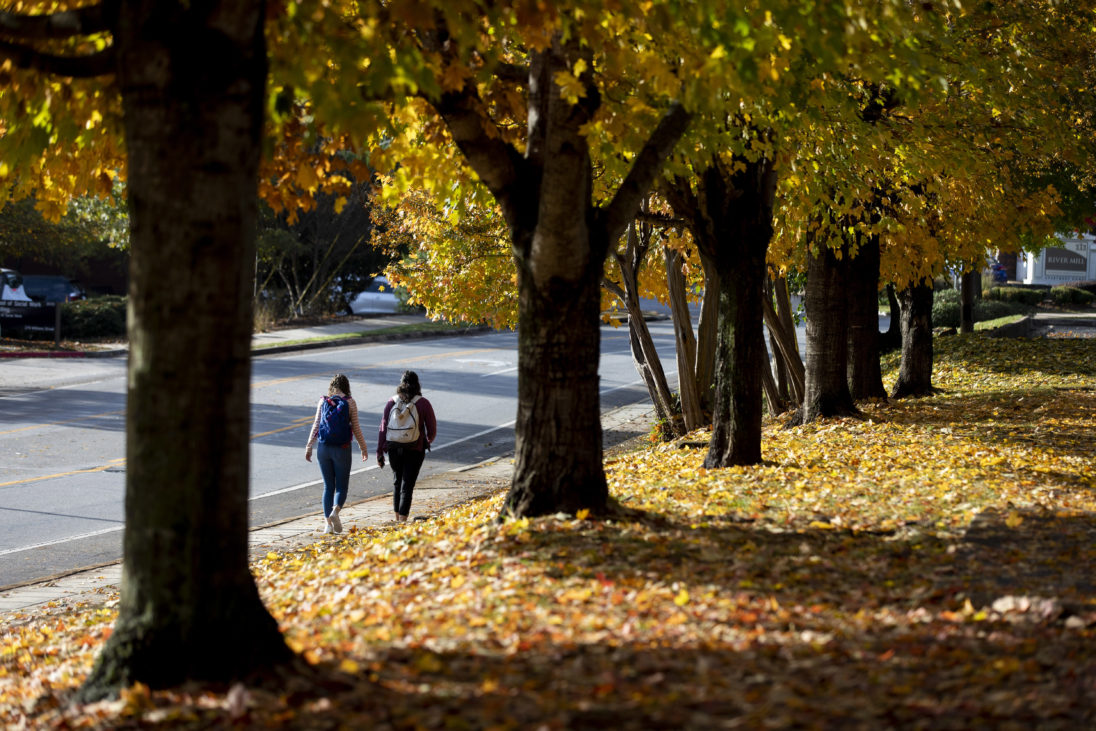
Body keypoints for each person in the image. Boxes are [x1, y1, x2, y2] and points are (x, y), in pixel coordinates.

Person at [305, 373, 368, 534]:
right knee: (341, 486)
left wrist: (309, 446)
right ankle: (336, 511)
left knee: (328, 486)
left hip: (323, 448)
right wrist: (363, 447)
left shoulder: (323, 401)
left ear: (331, 387)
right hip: (342, 449)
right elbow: (356, 427)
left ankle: (328, 525)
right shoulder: (350, 402)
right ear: (346, 387)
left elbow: (316, 425)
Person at [377, 370, 436, 523]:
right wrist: (426, 441)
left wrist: (380, 451)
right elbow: (432, 430)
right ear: (417, 385)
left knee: (397, 482)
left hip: (393, 448)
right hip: (415, 449)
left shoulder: (392, 401)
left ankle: (397, 519)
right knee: (407, 485)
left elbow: (383, 426)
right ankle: (402, 521)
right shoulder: (423, 403)